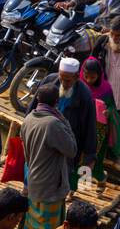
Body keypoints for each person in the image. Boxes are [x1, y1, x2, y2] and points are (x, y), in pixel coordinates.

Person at [14, 81, 77, 229]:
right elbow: (72, 150)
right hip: (49, 185)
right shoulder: (54, 124)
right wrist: (65, 122)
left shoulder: (29, 118)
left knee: (31, 226)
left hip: (33, 179)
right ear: (56, 102)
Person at [34, 57, 97, 189]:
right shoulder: (49, 81)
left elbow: (90, 126)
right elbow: (33, 107)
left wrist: (89, 156)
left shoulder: (85, 95)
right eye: (61, 78)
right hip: (44, 138)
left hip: (67, 143)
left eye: (67, 80)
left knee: (62, 179)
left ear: (76, 77)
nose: (63, 82)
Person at [81, 58, 120, 191]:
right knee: (79, 157)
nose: (89, 80)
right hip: (81, 126)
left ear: (99, 75)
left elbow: (112, 107)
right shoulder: (79, 84)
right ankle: (74, 188)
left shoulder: (106, 88)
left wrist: (107, 111)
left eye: (92, 77)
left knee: (95, 159)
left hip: (98, 130)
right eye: (86, 76)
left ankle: (101, 178)